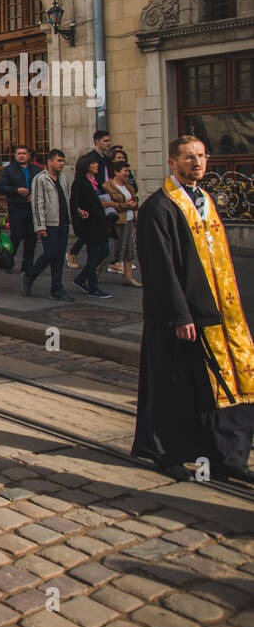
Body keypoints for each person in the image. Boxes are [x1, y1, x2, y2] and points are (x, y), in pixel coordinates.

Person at [132, 135, 254, 483]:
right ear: (172, 162)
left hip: (218, 315)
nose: (196, 163)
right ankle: (164, 453)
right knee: (172, 386)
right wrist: (180, 315)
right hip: (177, 317)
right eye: (188, 158)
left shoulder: (205, 199)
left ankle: (228, 456)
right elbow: (160, 268)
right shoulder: (159, 207)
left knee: (222, 383)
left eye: (200, 156)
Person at [20, 149, 75, 302]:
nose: (62, 164)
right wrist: (40, 226)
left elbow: (67, 198)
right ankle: (29, 275)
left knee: (59, 257)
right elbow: (38, 204)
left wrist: (75, 213)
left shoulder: (63, 178)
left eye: (63, 161)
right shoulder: (40, 179)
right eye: (59, 161)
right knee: (50, 253)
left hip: (62, 222)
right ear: (50, 161)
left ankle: (56, 288)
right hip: (49, 223)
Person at [67, 129, 114, 270]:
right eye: (105, 141)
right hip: (92, 198)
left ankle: (93, 269)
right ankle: (76, 256)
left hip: (102, 194)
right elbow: (79, 188)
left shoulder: (106, 159)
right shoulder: (90, 158)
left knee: (100, 235)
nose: (108, 143)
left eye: (109, 140)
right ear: (97, 141)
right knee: (92, 234)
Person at [69, 156, 112, 299]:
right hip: (89, 225)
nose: (96, 165)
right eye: (93, 163)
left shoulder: (95, 181)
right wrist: (78, 213)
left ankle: (81, 278)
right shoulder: (79, 182)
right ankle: (93, 288)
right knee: (93, 255)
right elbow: (74, 203)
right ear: (85, 165)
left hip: (100, 224)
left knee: (104, 251)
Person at [0, 145, 42, 277]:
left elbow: (42, 185)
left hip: (32, 207)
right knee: (16, 235)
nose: (21, 156)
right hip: (16, 207)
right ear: (15, 156)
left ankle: (27, 266)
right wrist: (16, 191)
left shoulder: (37, 169)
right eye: (19, 153)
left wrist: (35, 194)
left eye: (24, 153)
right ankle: (7, 261)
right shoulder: (9, 170)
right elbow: (1, 187)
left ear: (28, 155)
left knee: (31, 238)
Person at [104, 160, 141, 287]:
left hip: (129, 220)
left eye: (127, 171)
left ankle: (128, 276)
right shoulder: (107, 186)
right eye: (125, 171)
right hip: (117, 222)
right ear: (116, 172)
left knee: (129, 249)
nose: (127, 173)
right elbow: (107, 204)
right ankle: (94, 272)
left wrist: (134, 204)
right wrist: (125, 205)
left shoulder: (128, 185)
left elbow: (134, 198)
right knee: (111, 251)